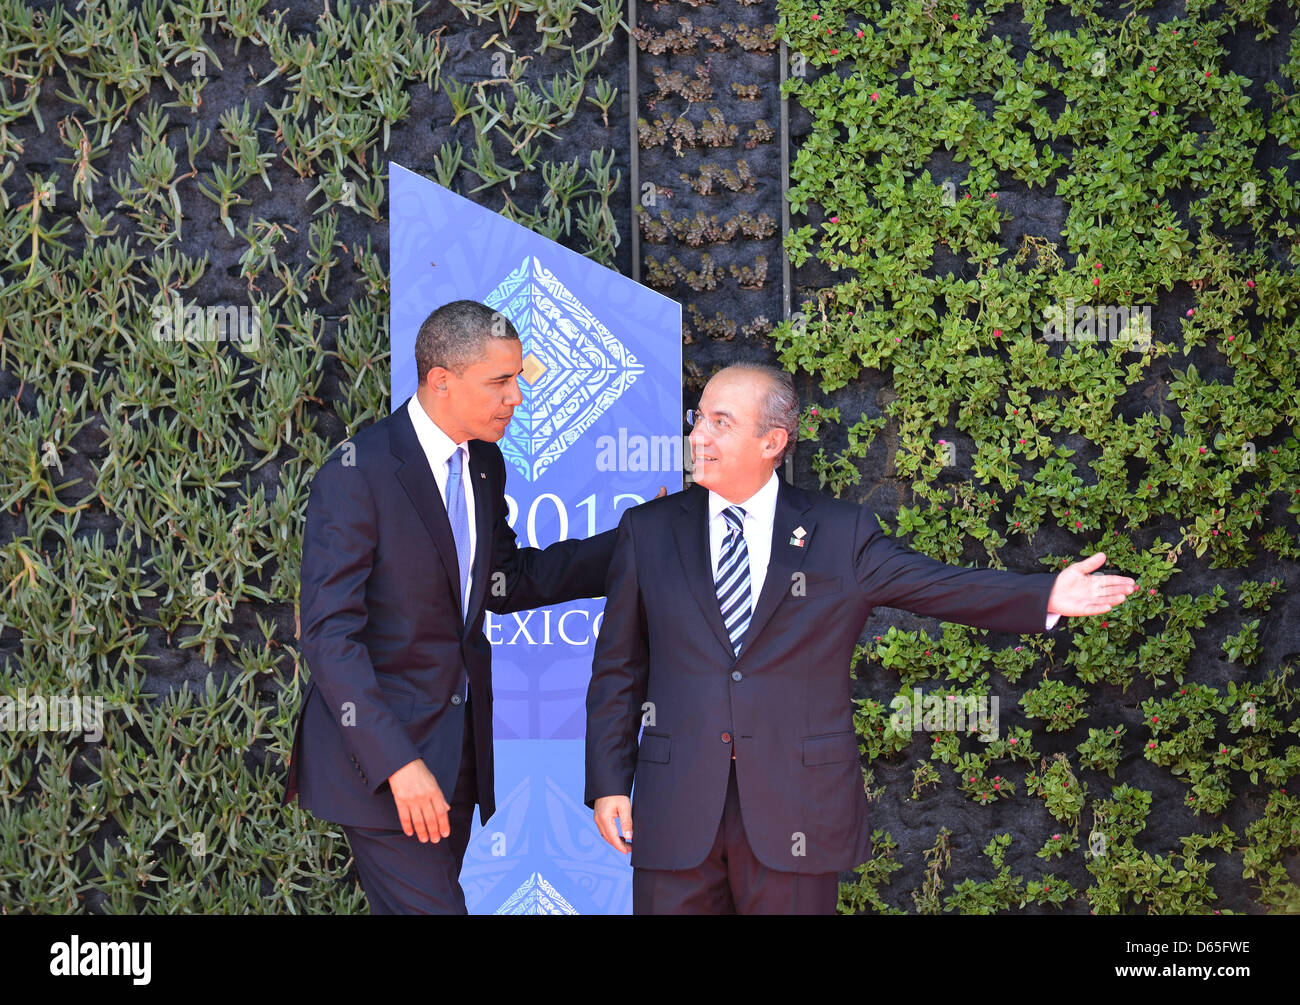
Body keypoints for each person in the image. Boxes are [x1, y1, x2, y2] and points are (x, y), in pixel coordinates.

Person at [584, 363, 1138, 914]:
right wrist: (610, 782)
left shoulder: (839, 533)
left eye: (720, 423)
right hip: (675, 812)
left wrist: (1043, 597)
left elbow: (936, 585)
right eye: (697, 418)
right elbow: (619, 670)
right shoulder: (649, 529)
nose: (697, 436)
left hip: (797, 812)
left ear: (772, 441)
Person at [283, 299, 620, 914]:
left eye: (517, 378)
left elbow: (506, 582)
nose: (516, 396)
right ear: (441, 380)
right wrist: (398, 764)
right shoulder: (359, 472)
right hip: (385, 767)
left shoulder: (485, 463)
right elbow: (330, 637)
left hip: (456, 757)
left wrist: (631, 545)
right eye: (500, 380)